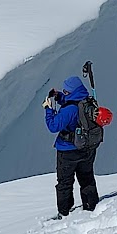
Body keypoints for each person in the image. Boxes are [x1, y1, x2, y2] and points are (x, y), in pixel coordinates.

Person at [44, 75, 100, 217]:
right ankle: (91, 205)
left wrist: (48, 109)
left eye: (66, 91)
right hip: (87, 148)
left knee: (64, 182)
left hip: (68, 151)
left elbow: (53, 126)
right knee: (87, 178)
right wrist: (59, 96)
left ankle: (64, 212)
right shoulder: (87, 101)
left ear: (73, 92)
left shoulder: (69, 110)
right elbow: (71, 102)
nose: (65, 93)